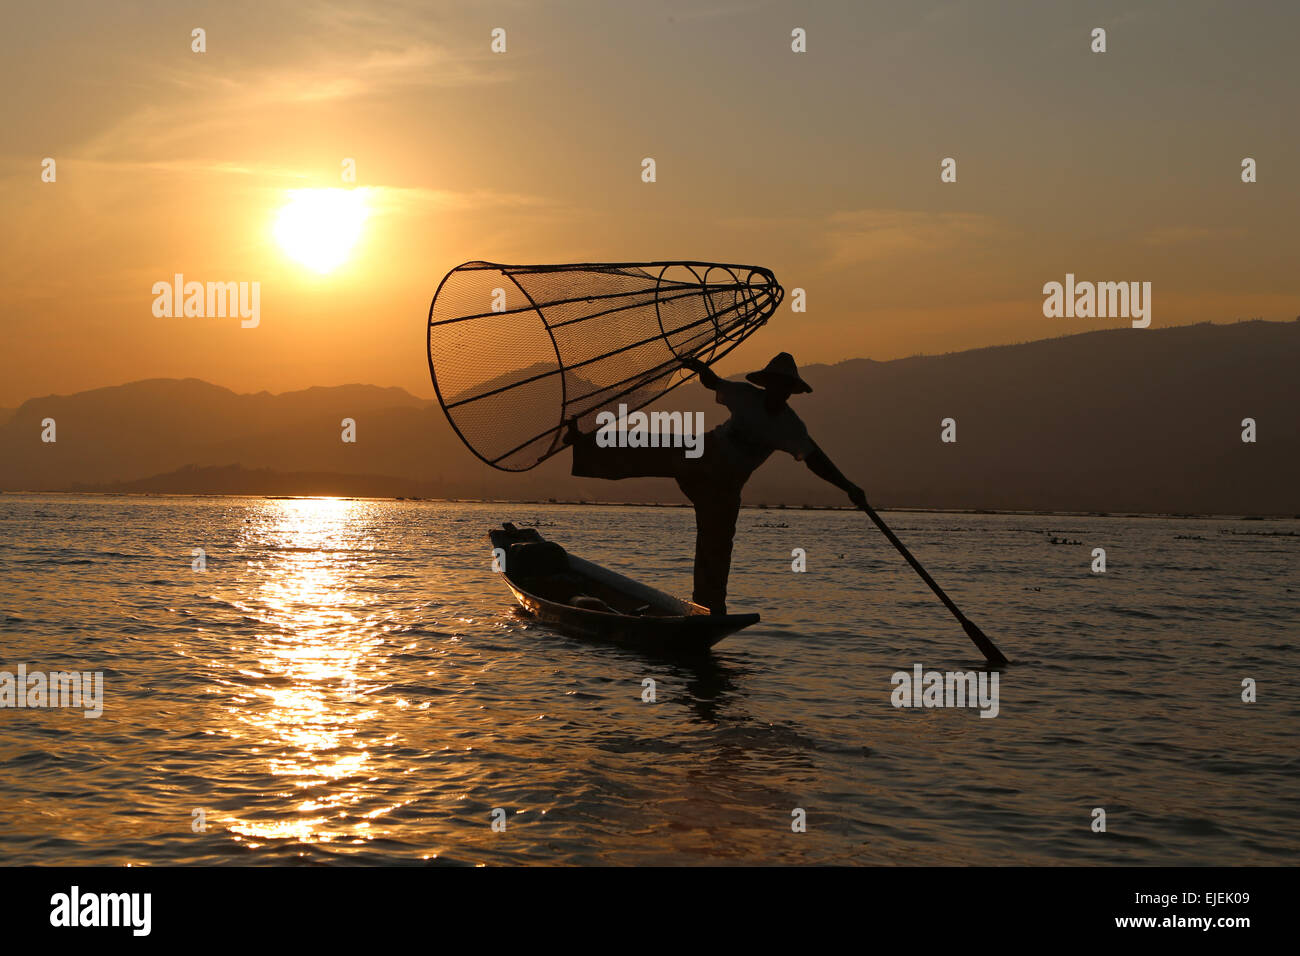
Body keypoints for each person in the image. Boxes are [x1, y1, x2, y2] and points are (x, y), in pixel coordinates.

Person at [567, 352, 865, 614]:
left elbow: (815, 460)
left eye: (784, 386)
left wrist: (849, 487)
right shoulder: (745, 395)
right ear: (767, 383)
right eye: (775, 383)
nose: (779, 390)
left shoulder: (790, 426)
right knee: (648, 448)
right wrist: (700, 368)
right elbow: (714, 383)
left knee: (717, 544)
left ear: (790, 391)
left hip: (725, 483)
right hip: (704, 453)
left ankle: (710, 608)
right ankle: (584, 445)